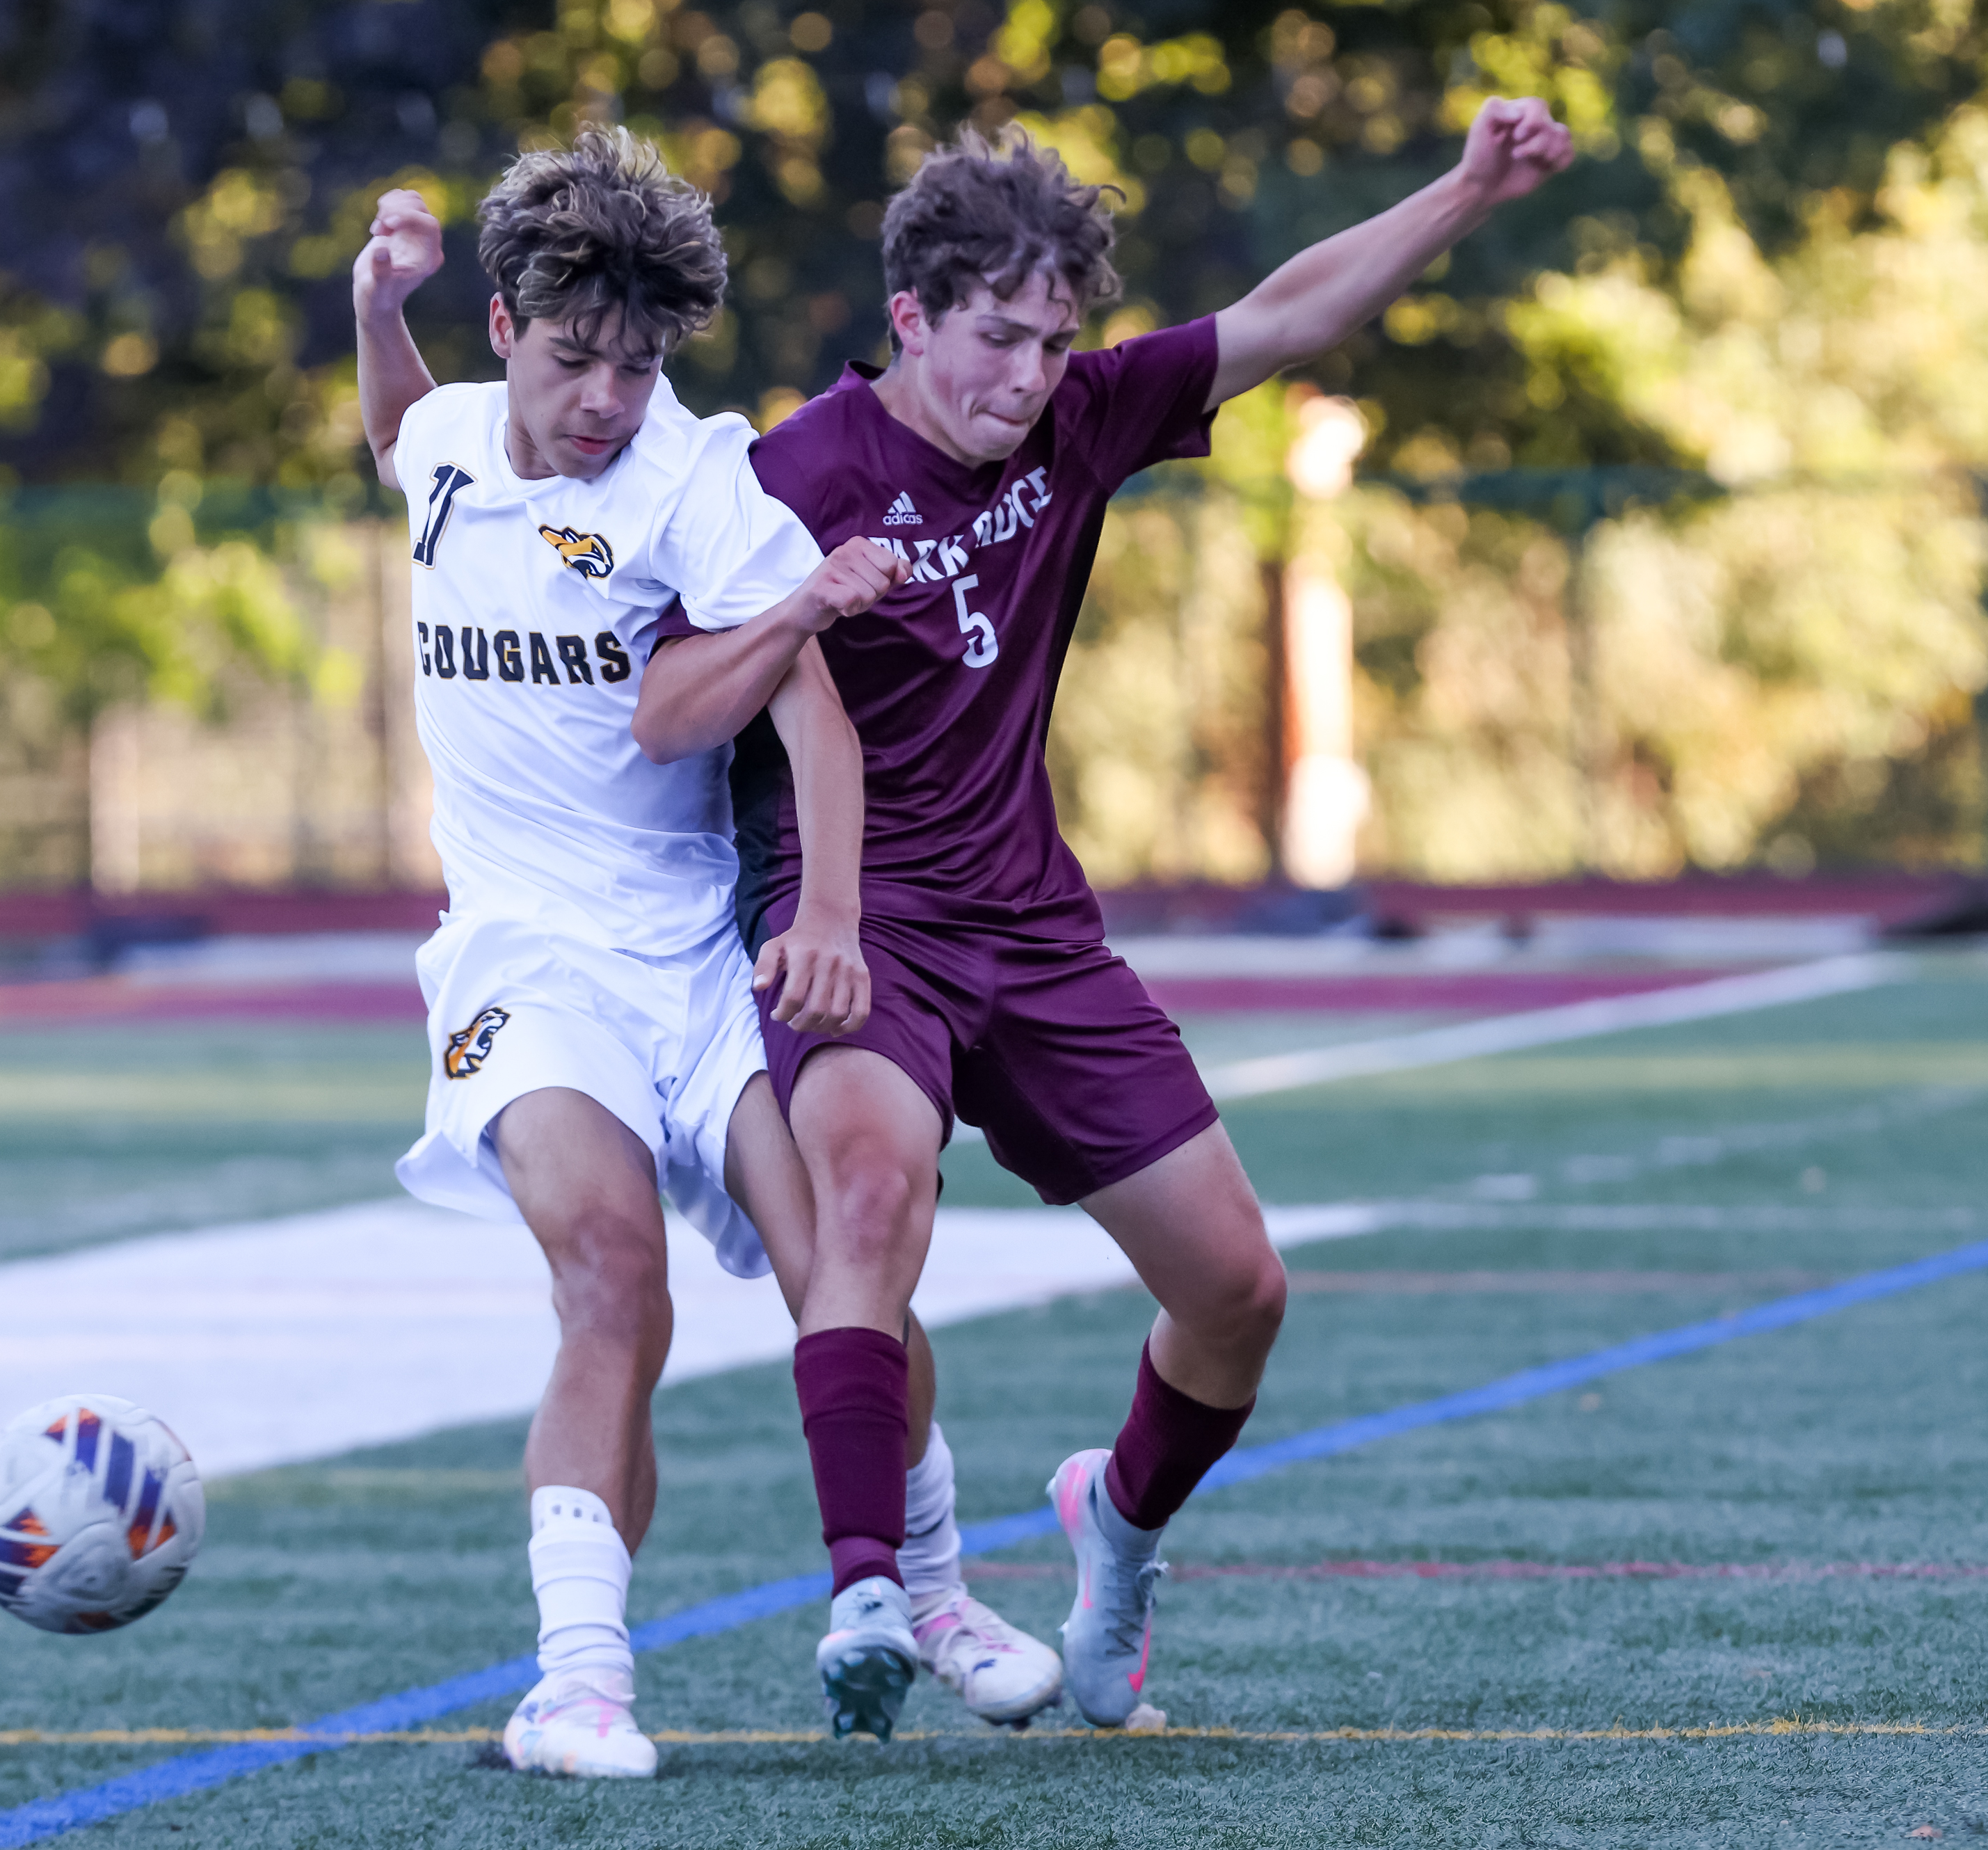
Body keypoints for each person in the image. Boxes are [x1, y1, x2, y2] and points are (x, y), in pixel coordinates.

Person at [636, 99, 1576, 1737]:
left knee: (1239, 1291)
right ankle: (870, 1584)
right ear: (912, 318)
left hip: (1036, 929)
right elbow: (671, 695)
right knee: (871, 1190)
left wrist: (1470, 188)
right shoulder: (789, 476)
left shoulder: (1081, 416)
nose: (1027, 377)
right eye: (997, 338)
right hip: (853, 921)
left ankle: (1116, 1543)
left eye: (1055, 341)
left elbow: (1294, 312)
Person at [353, 129, 1064, 1773]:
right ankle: (578, 1684)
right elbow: (397, 428)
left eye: (640, 363)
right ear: (508, 330)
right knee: (612, 1269)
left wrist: (824, 918)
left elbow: (815, 710)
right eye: (577, 358)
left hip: (693, 951)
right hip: (525, 965)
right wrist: (377, 303)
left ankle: (937, 1594)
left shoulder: (690, 478)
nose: (606, 397)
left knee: (845, 1262)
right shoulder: (456, 438)